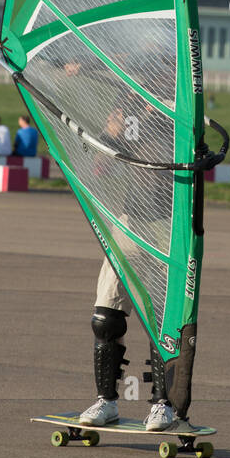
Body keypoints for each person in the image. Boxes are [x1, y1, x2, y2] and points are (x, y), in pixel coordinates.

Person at [79, 106, 180, 431]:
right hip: (131, 222)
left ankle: (163, 404)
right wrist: (112, 131)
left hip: (171, 227)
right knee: (106, 317)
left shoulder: (181, 113)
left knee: (165, 317)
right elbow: (98, 167)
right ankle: (106, 401)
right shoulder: (130, 115)